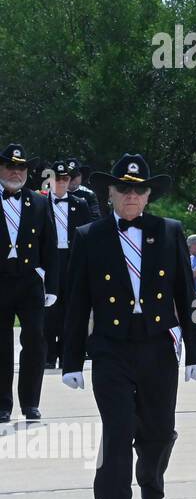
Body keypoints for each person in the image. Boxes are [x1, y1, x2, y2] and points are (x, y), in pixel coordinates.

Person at [60, 154, 196, 499]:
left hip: (158, 345)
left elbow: (187, 296)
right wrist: (70, 360)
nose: (131, 195)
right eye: (123, 188)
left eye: (138, 189)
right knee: (119, 430)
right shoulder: (90, 236)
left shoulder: (170, 231)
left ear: (147, 195)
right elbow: (77, 303)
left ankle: (152, 496)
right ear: (110, 192)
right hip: (111, 347)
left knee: (158, 432)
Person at [0, 143, 59, 422]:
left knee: (36, 340)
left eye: (21, 168)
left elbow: (50, 244)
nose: (16, 172)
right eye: (10, 167)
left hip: (29, 281)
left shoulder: (38, 201)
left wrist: (53, 285)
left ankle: (30, 403)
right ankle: (2, 404)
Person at [43, 159, 95, 371]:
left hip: (72, 259)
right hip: (51, 259)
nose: (62, 183)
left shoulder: (79, 203)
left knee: (72, 309)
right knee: (49, 310)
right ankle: (48, 355)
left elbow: (86, 233)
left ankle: (68, 354)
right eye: (58, 179)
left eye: (66, 179)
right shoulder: (41, 203)